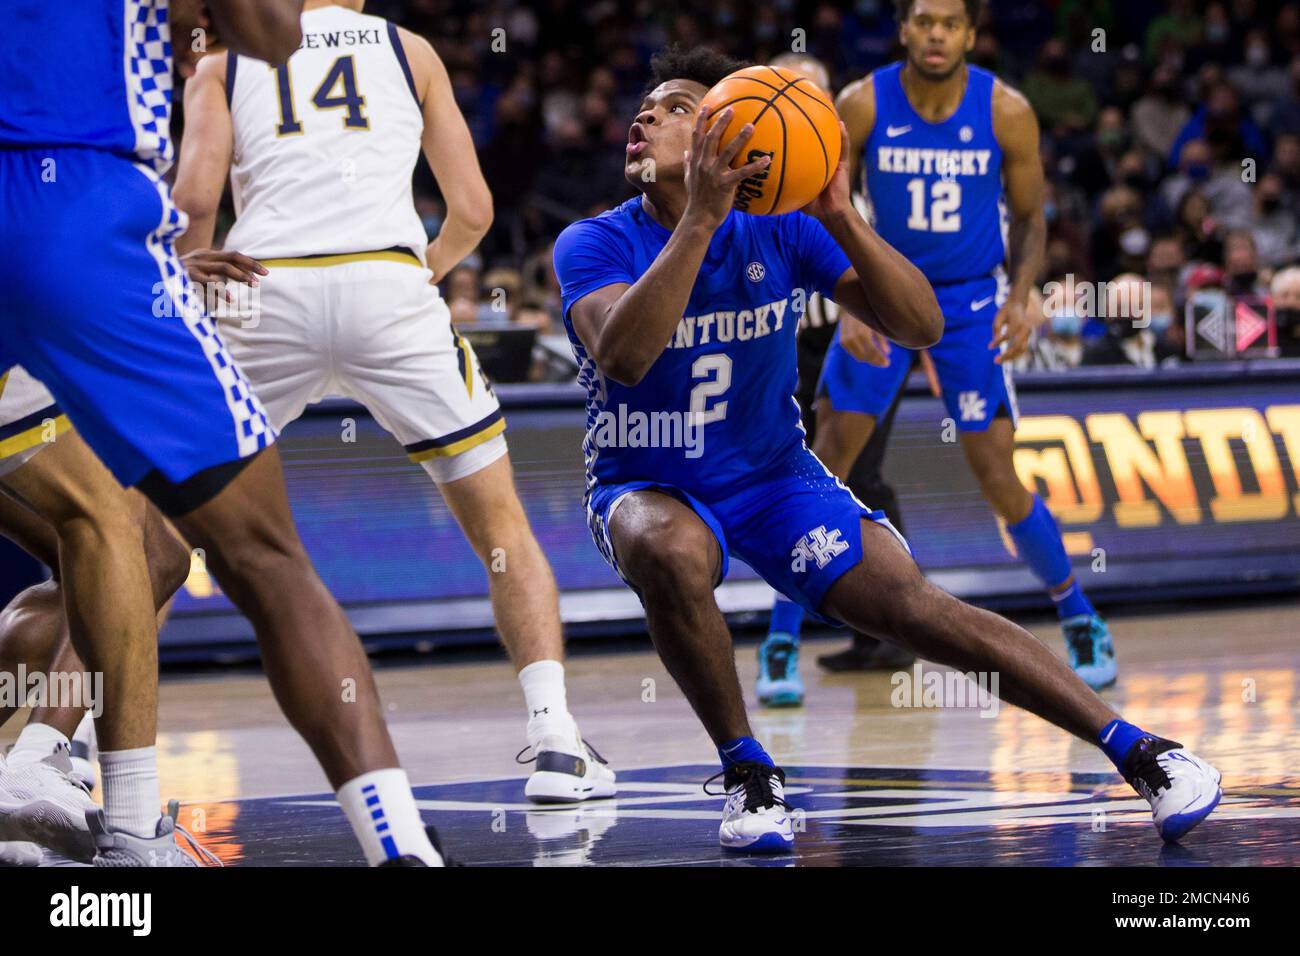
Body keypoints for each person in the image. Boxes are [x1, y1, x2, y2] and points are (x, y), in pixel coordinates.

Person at [552, 43, 1222, 853]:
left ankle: (1144, 753)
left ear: (727, 133)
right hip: (643, 480)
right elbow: (624, 358)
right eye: (645, 106)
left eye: (677, 107)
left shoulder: (787, 229)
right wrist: (699, 216)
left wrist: (839, 214)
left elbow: (921, 325)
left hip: (770, 477)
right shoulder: (591, 243)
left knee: (914, 606)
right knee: (670, 548)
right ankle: (750, 776)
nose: (645, 116)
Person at [1, 0, 451, 866]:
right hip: (78, 212)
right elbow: (276, 32)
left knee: (120, 537)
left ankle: (43, 766)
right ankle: (391, 852)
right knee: (261, 558)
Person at [171, 0, 614, 803]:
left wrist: (185, 285)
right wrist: (420, 275)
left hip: (262, 290)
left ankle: (57, 743)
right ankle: (555, 743)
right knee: (501, 529)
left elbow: (196, 205)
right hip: (387, 282)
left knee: (159, 529)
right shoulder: (411, 51)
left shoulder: (226, 55)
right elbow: (474, 209)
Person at [804, 0, 1119, 691]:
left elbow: (1033, 218)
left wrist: (1022, 294)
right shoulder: (859, 105)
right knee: (825, 466)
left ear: (972, 34)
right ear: (904, 29)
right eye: (924, 21)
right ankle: (777, 640)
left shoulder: (1007, 111)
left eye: (951, 22)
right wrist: (843, 299)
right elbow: (827, 205)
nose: (937, 34)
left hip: (972, 301)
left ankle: (1077, 612)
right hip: (882, 295)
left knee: (999, 478)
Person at [756, 52, 914, 708]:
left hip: (855, 338)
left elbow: (893, 275)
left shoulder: (860, 184)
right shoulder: (756, 176)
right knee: (849, 480)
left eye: (810, 88)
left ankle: (784, 643)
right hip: (776, 347)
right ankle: (882, 625)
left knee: (834, 476)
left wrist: (860, 310)